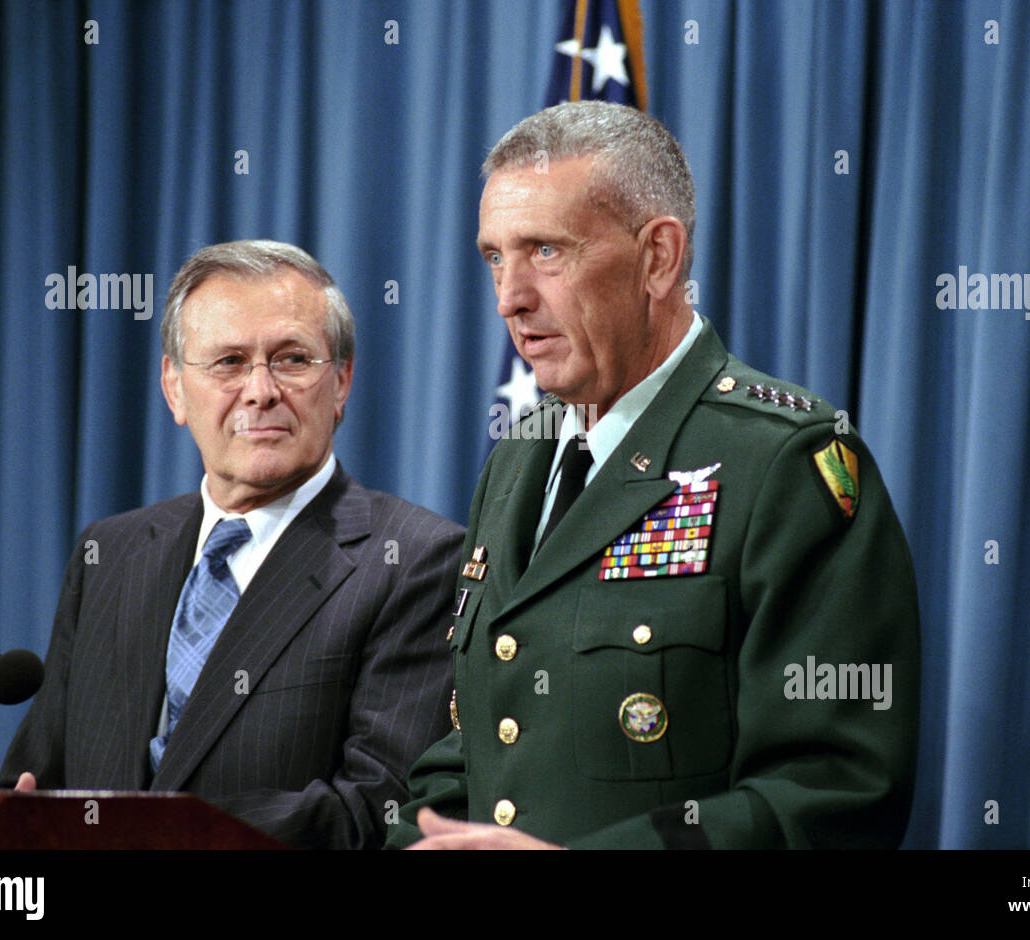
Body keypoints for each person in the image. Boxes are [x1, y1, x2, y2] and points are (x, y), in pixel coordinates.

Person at [388, 102, 920, 849]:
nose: (510, 296)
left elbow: (835, 789)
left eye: (546, 251)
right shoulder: (520, 455)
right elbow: (480, 744)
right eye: (494, 256)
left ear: (658, 259)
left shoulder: (786, 461)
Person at [0, 240, 464, 849]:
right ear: (174, 387)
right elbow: (36, 781)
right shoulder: (109, 553)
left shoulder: (414, 559)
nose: (260, 390)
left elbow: (381, 809)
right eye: (228, 362)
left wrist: (149, 837)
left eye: (292, 359)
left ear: (342, 380)